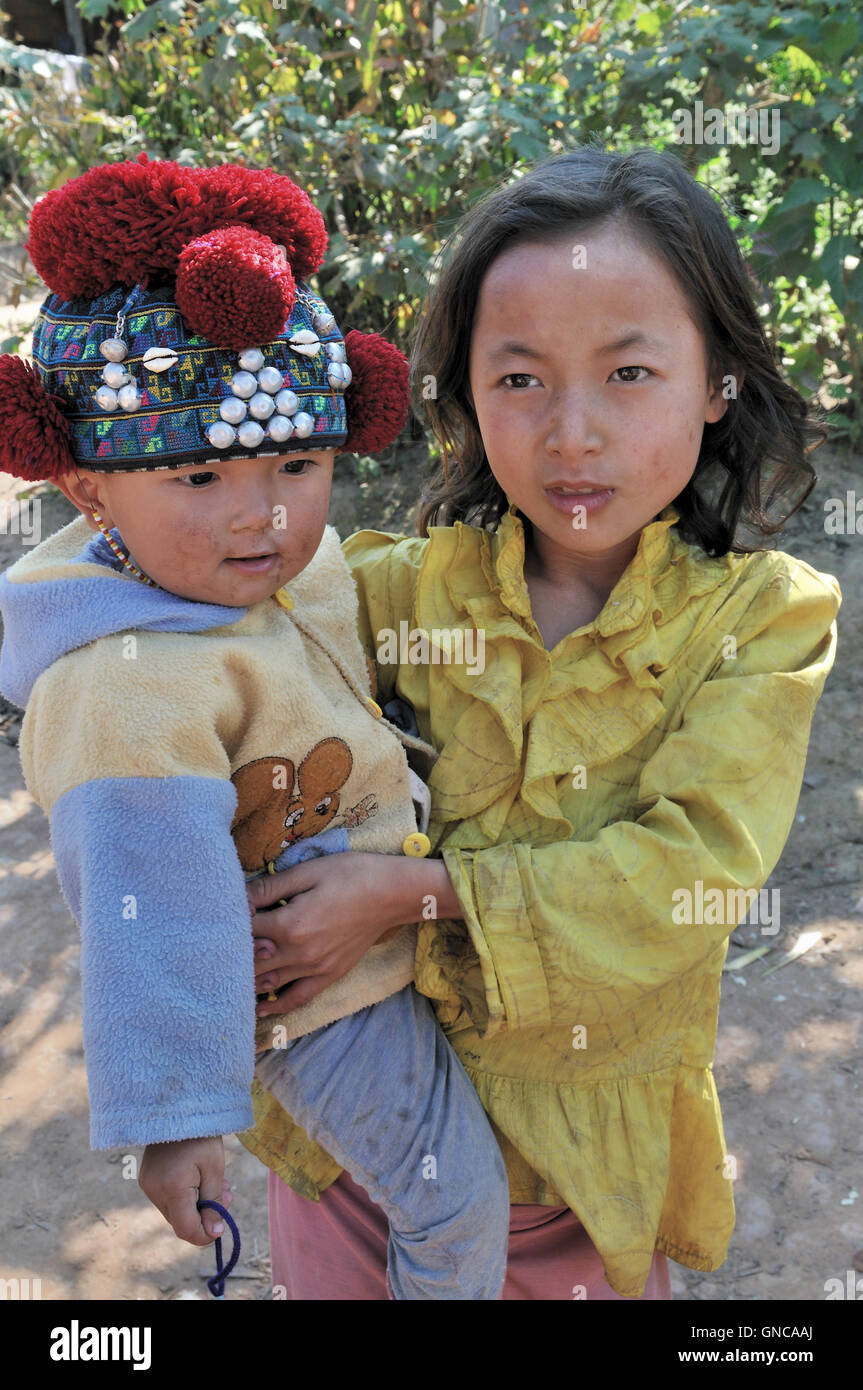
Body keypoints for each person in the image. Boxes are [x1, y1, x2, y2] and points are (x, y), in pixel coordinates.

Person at [246, 145, 842, 1300]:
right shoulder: (388, 593)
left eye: (628, 374)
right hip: (356, 1156)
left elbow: (690, 873)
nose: (572, 432)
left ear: (715, 381)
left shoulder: (763, 623)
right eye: (518, 379)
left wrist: (413, 897)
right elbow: (220, 619)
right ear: (465, 394)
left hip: (582, 1181)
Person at [0, 156, 511, 1301]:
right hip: (312, 1000)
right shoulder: (120, 685)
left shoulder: (287, 561)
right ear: (87, 488)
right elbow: (148, 908)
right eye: (194, 475)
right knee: (453, 1196)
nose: (261, 513)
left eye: (298, 461)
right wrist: (176, 1121)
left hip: (374, 935)